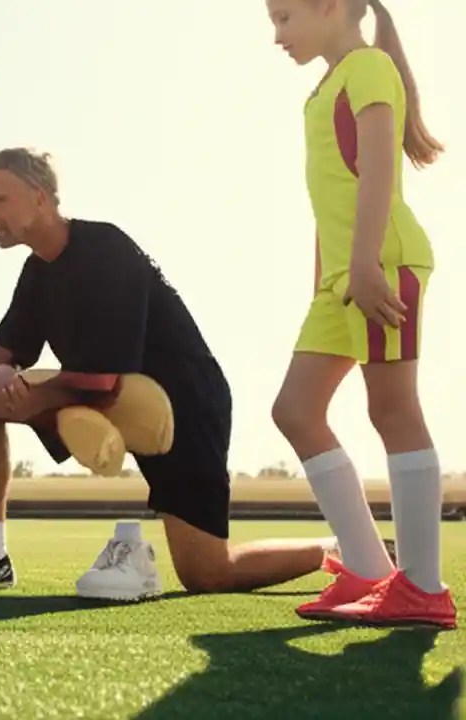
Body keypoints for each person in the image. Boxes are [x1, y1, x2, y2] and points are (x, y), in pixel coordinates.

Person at [0, 148, 353, 600]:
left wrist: (35, 398)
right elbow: (0, 357)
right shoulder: (35, 274)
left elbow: (107, 378)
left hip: (184, 405)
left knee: (208, 574)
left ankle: (347, 549)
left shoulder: (105, 249)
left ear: (39, 198)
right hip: (101, 398)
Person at [265, 0, 455, 629]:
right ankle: (370, 571)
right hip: (339, 279)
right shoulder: (325, 85)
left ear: (329, 6)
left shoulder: (368, 66)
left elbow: (378, 172)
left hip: (382, 264)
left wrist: (368, 264)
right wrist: (330, 277)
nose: (277, 35)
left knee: (392, 410)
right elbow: (332, 192)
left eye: (286, 17)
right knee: (295, 410)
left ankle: (423, 589)